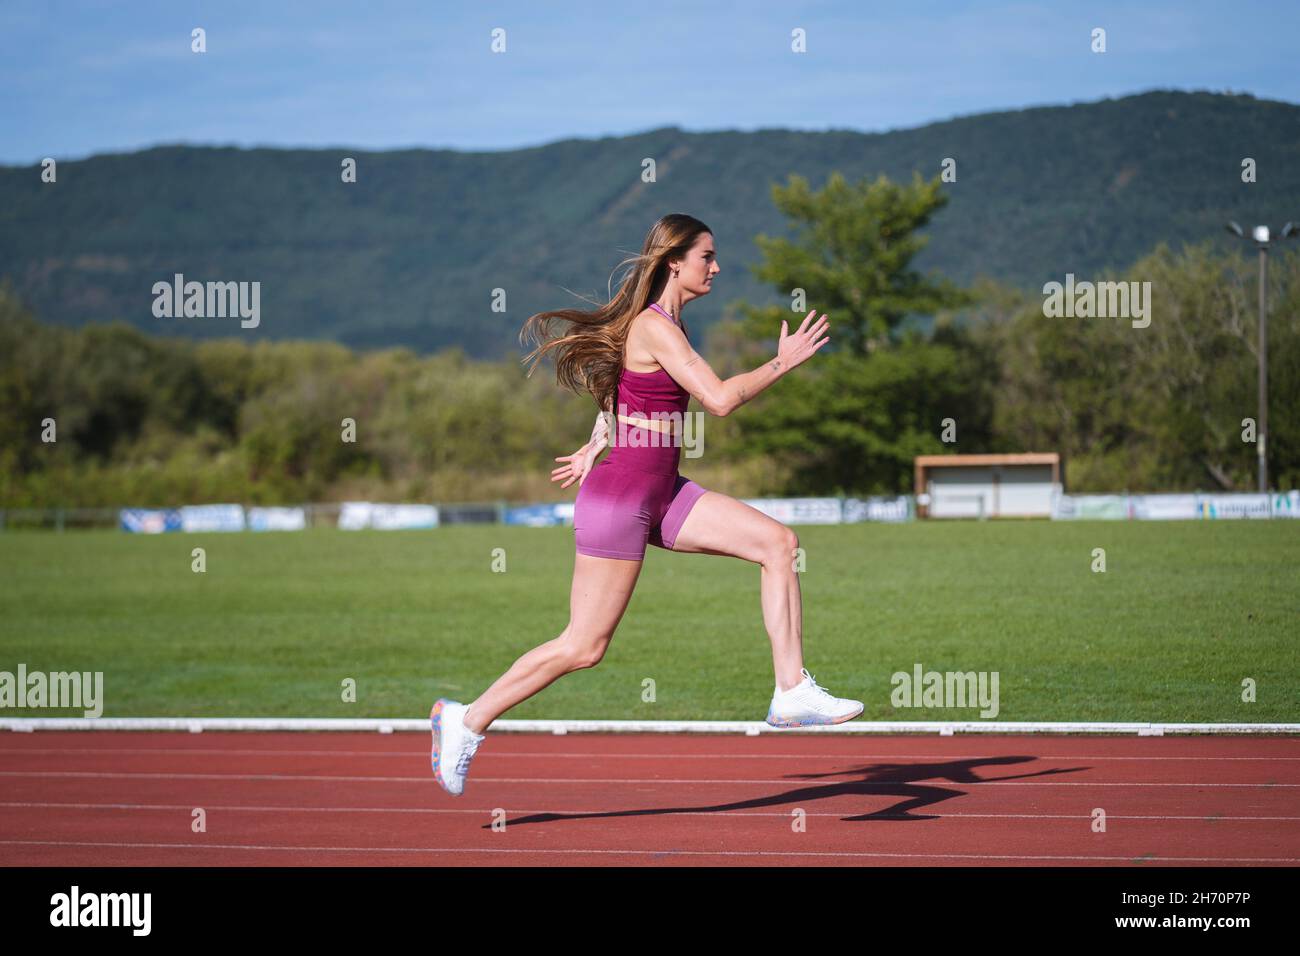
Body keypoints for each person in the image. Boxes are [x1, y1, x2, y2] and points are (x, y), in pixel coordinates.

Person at [431, 213, 863, 796]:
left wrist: (593, 443)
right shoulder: (657, 327)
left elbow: (625, 393)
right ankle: (465, 719)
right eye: (707, 256)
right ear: (673, 262)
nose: (717, 267)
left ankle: (790, 692)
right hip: (620, 501)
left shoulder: (663, 325)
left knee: (778, 543)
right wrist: (782, 361)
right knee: (584, 647)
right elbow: (719, 400)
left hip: (662, 491)